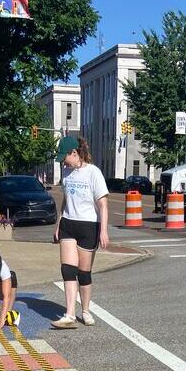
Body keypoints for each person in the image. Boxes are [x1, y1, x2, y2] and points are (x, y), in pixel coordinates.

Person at [50, 136, 109, 329]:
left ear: (75, 153)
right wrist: (59, 224)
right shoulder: (67, 174)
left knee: (84, 274)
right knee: (68, 270)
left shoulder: (94, 173)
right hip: (69, 223)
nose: (63, 162)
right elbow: (66, 201)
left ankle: (85, 310)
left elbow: (103, 204)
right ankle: (69, 314)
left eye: (65, 158)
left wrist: (104, 230)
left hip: (88, 226)